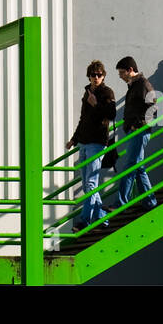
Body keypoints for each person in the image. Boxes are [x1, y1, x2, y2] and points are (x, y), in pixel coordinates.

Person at [65, 60, 116, 231]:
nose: (96, 78)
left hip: (97, 142)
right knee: (88, 183)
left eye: (99, 75)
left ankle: (84, 220)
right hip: (84, 142)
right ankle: (103, 219)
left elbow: (112, 114)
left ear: (103, 76)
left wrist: (96, 105)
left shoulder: (106, 92)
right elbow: (83, 119)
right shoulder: (86, 93)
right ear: (89, 76)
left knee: (91, 184)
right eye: (93, 75)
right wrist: (74, 139)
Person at [115, 56, 158, 209]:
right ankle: (150, 201)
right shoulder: (135, 85)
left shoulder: (142, 85)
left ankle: (121, 202)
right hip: (136, 130)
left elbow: (153, 107)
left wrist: (137, 125)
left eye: (121, 73)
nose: (120, 76)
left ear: (130, 70)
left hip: (139, 131)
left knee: (130, 165)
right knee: (138, 167)